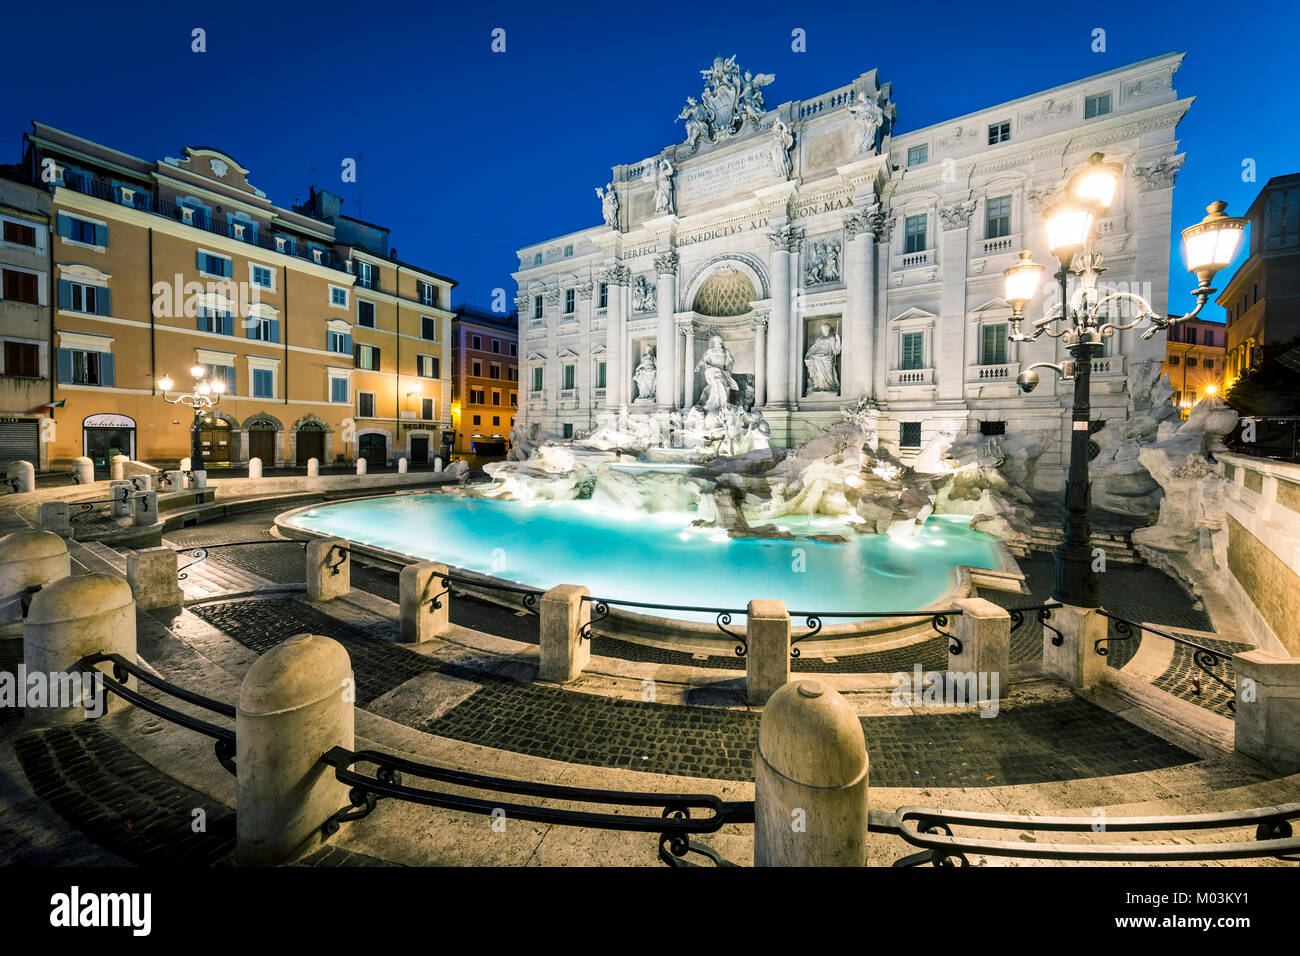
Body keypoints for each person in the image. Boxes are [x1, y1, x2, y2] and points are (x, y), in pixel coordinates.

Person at [804, 323, 842, 393]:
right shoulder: (819, 339)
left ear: (828, 329)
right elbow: (815, 347)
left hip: (827, 356)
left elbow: (835, 350)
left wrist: (838, 340)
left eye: (824, 328)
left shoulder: (831, 338)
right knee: (816, 365)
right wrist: (809, 354)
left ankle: (829, 387)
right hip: (818, 355)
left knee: (827, 370)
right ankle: (819, 386)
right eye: (822, 329)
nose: (823, 330)